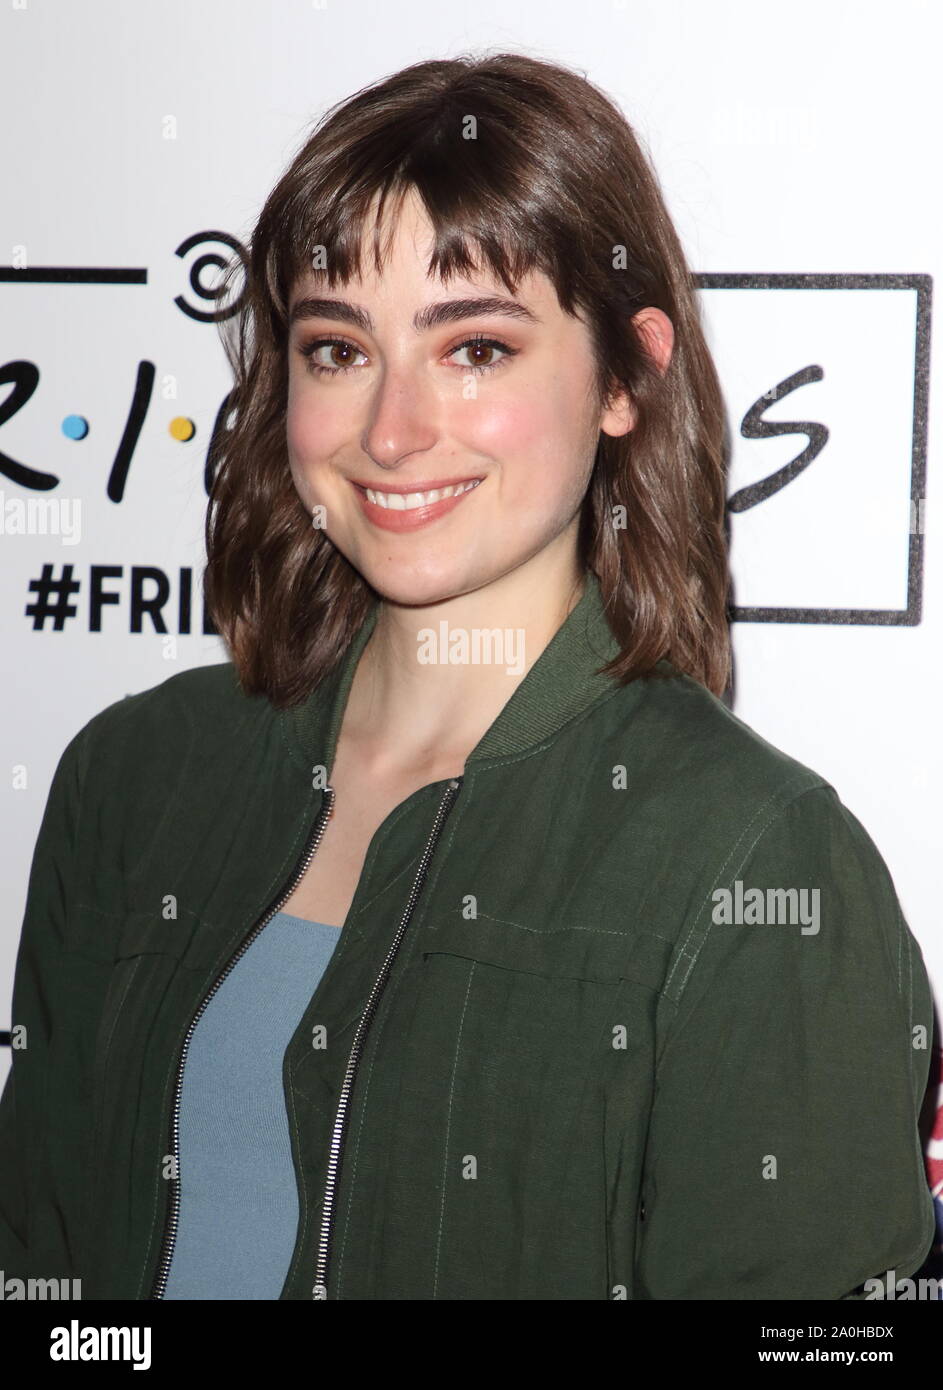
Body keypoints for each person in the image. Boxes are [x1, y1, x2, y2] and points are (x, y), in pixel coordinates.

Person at [0, 51, 935, 1301]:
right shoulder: (134, 776)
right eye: (338, 350)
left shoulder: (754, 859)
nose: (390, 431)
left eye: (475, 349)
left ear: (624, 376)